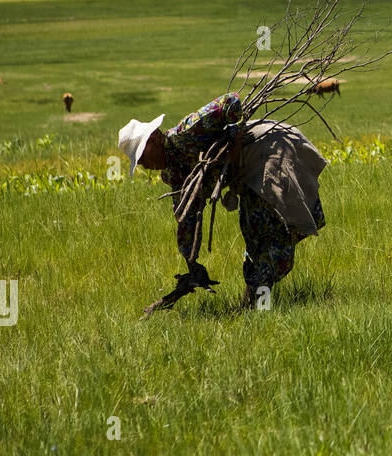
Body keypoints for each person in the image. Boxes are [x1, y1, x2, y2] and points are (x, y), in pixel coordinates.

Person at [118, 92, 326, 314]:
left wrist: (235, 141)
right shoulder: (174, 172)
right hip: (249, 170)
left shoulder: (187, 131)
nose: (143, 165)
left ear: (155, 138)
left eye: (141, 157)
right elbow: (185, 216)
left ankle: (258, 307)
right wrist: (191, 261)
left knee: (271, 235)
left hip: (268, 150)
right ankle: (256, 305)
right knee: (255, 237)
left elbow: (231, 101)